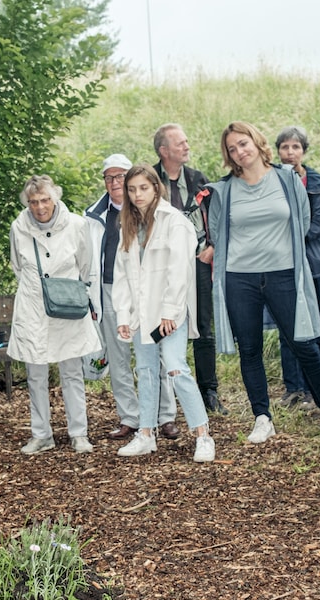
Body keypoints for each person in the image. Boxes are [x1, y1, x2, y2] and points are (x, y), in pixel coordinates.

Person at [204, 122, 320, 443]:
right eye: (232, 149)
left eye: (243, 143)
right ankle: (262, 417)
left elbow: (302, 222)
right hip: (240, 278)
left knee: (303, 343)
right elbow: (218, 233)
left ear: (257, 142)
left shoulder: (287, 179)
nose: (239, 152)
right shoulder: (225, 190)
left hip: (283, 273)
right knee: (250, 349)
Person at [112, 165, 216, 462]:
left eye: (143, 188)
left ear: (155, 188)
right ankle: (146, 434)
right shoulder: (129, 226)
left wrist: (171, 312)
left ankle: (203, 435)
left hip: (170, 312)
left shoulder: (174, 222)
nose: (137, 195)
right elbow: (122, 276)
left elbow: (180, 272)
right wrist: (123, 316)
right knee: (145, 372)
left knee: (175, 368)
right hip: (141, 314)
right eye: (132, 190)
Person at [85, 154, 179, 442]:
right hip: (110, 292)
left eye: (120, 177)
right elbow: (88, 259)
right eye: (109, 177)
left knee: (156, 355)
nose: (115, 182)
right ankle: (130, 418)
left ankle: (165, 417)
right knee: (119, 358)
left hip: (147, 291)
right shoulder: (94, 215)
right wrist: (91, 299)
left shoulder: (149, 212)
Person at [8, 175, 100, 455]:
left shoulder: (76, 225)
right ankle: (41, 434)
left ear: (55, 198)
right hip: (34, 304)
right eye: (34, 201)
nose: (40, 206)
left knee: (71, 371)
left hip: (67, 301)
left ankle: (79, 433)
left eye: (45, 200)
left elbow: (85, 265)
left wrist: (66, 289)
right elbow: (17, 265)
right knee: (35, 373)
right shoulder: (19, 227)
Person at [153, 123, 227, 416]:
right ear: (164, 151)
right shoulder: (150, 179)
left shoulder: (198, 180)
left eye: (186, 141)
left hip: (198, 262)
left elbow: (217, 216)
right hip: (163, 267)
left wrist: (212, 246)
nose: (186, 146)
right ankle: (167, 393)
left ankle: (209, 391)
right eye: (180, 143)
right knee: (163, 322)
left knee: (204, 327)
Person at [273, 126, 320, 409]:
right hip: (282, 263)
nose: (290, 152)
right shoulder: (271, 180)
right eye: (285, 147)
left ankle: (316, 389)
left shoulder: (318, 182)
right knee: (287, 326)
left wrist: (287, 236)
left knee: (315, 324)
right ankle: (293, 388)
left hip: (313, 262)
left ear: (303, 151)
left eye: (295, 147)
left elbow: (318, 223)